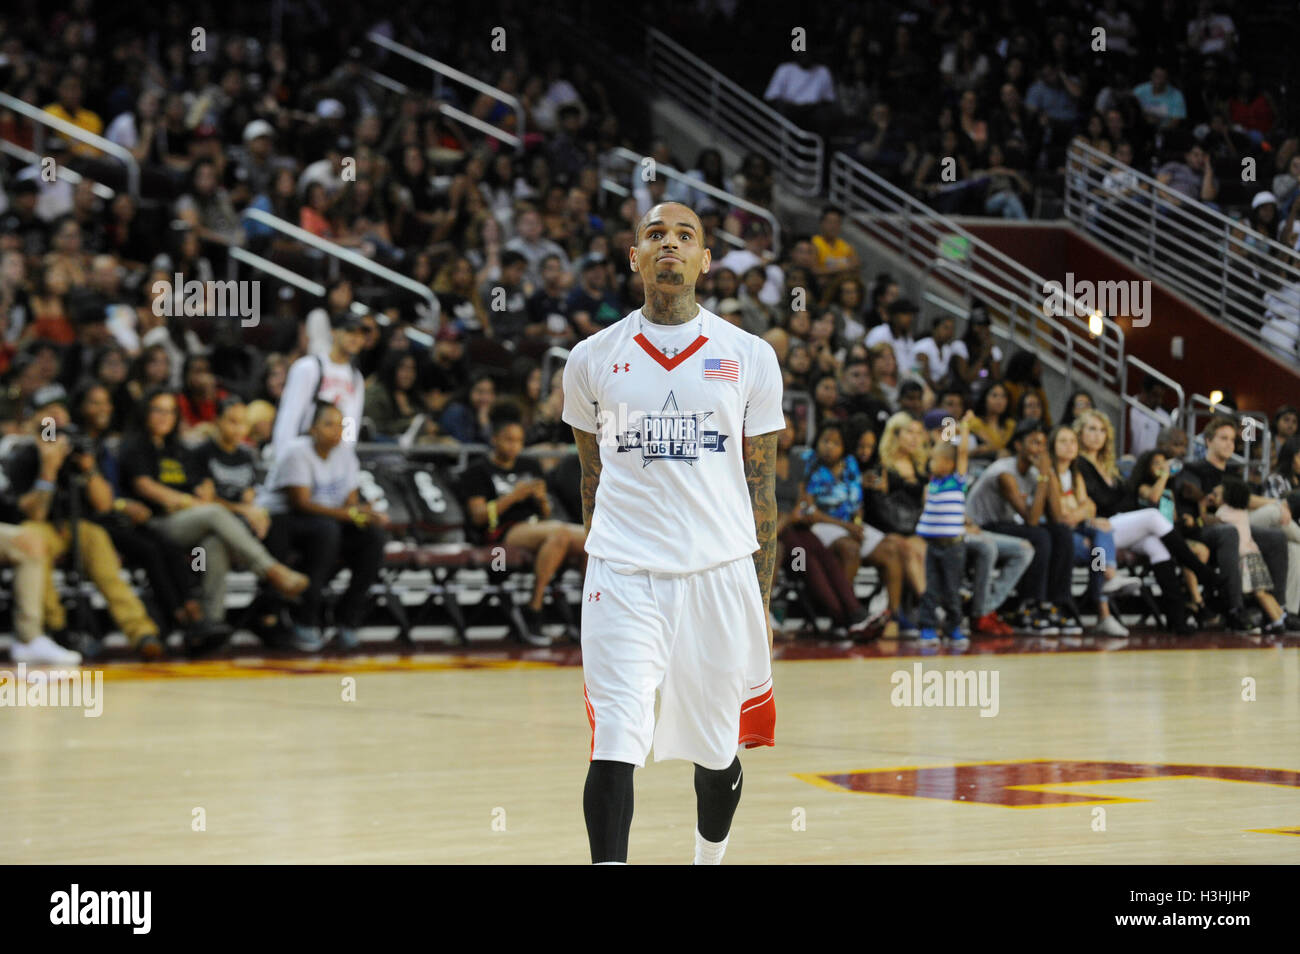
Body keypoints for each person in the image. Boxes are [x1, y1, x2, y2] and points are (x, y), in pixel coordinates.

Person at [562, 201, 784, 865]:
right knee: (615, 742)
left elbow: (763, 490)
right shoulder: (591, 357)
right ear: (634, 257)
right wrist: (602, 563)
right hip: (623, 574)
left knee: (718, 752)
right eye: (655, 234)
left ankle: (706, 861)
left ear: (705, 259)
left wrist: (762, 603)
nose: (670, 245)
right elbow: (591, 480)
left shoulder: (750, 355)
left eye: (685, 236)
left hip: (719, 574)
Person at [120, 388, 309, 631]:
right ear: (145, 412)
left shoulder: (179, 449)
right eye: (158, 410)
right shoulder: (136, 447)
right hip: (157, 525)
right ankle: (270, 570)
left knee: (213, 545)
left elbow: (204, 489)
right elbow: (147, 488)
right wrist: (193, 502)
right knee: (215, 514)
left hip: (194, 524)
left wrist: (228, 502)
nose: (165, 417)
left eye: (170, 411)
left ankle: (211, 622)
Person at [1, 384, 166, 659]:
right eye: (50, 413)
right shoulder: (22, 453)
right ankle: (59, 629)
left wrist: (89, 469)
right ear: (35, 419)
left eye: (62, 412)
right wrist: (48, 470)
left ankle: (141, 632)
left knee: (101, 549)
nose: (59, 420)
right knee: (34, 544)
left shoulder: (80, 448)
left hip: (78, 524)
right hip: (36, 527)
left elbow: (104, 504)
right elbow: (34, 514)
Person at [258, 402, 389, 651]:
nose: (336, 431)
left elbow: (350, 503)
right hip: (281, 521)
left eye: (341, 425)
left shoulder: (345, 455)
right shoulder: (297, 451)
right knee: (326, 532)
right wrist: (350, 513)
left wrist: (365, 512)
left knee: (373, 537)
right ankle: (305, 618)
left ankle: (347, 619)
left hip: (326, 522)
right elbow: (301, 503)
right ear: (312, 429)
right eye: (329, 424)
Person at [458, 401, 587, 647]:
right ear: (494, 440)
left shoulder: (529, 465)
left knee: (587, 542)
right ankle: (534, 608)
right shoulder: (478, 470)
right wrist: (514, 496)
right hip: (503, 531)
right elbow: (478, 517)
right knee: (560, 533)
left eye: (518, 440)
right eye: (508, 440)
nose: (514, 446)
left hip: (538, 526)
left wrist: (541, 500)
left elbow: (546, 512)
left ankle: (583, 616)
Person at [1074, 410, 1214, 633]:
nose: (1097, 435)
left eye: (1101, 430)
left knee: (1157, 546)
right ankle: (1200, 570)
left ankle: (1176, 619)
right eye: (1091, 429)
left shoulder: (1108, 465)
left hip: (1120, 525)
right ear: (1079, 433)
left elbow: (1122, 499)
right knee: (1152, 517)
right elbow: (1103, 502)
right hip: (1100, 529)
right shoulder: (1078, 464)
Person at [1175, 416, 1293, 633]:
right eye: (1223, 438)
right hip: (1200, 527)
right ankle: (1235, 609)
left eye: (1232, 439)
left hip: (1230, 526)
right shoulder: (1194, 468)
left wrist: (1277, 502)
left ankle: (1278, 608)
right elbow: (1188, 494)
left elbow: (1246, 499)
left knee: (1275, 538)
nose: (1229, 444)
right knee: (1229, 532)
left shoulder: (1232, 474)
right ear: (1208, 441)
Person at [801, 420, 913, 639]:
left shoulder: (850, 463)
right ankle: (845, 615)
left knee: (892, 549)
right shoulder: (809, 463)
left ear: (845, 446)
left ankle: (893, 617)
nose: (829, 447)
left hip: (850, 524)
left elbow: (857, 502)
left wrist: (858, 523)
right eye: (825, 441)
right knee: (849, 548)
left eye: (835, 443)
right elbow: (808, 510)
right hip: (821, 525)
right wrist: (847, 527)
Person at [965, 420, 1076, 633]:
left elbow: (1057, 517)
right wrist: (1044, 477)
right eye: (1035, 443)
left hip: (1005, 525)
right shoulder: (1004, 472)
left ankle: (1055, 603)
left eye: (1044, 445)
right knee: (1040, 536)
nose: (1040, 450)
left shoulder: (1036, 472)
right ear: (1018, 446)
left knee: (1061, 533)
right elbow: (1031, 521)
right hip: (981, 527)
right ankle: (1028, 605)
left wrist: (1050, 474)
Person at [772, 413, 874, 639]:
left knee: (823, 554)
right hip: (778, 531)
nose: (786, 432)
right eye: (781, 427)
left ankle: (854, 614)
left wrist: (801, 510)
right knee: (805, 558)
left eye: (789, 428)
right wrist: (791, 516)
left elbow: (803, 499)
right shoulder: (762, 460)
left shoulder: (798, 463)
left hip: (798, 525)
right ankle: (841, 617)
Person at [272, 310, 366, 456]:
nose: (356, 338)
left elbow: (352, 421)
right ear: (334, 332)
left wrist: (345, 458)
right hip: (304, 448)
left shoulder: (356, 376)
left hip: (334, 455)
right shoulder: (308, 367)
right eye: (350, 331)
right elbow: (290, 415)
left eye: (361, 334)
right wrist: (283, 457)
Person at [915, 412, 974, 642]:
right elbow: (940, 445)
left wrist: (965, 428)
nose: (931, 463)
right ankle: (927, 626)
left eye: (935, 460)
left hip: (953, 547)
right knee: (930, 589)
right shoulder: (933, 482)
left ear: (949, 464)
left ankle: (953, 627)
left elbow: (962, 452)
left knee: (951, 590)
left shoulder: (957, 479)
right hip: (932, 545)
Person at [1216, 477, 1292, 635]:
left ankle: (1277, 622)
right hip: (1256, 556)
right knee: (1264, 592)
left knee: (1259, 593)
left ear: (1226, 497)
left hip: (1245, 558)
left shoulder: (1224, 512)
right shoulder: (1242, 511)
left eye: (1217, 495)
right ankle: (1281, 615)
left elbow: (1210, 521)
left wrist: (1202, 507)